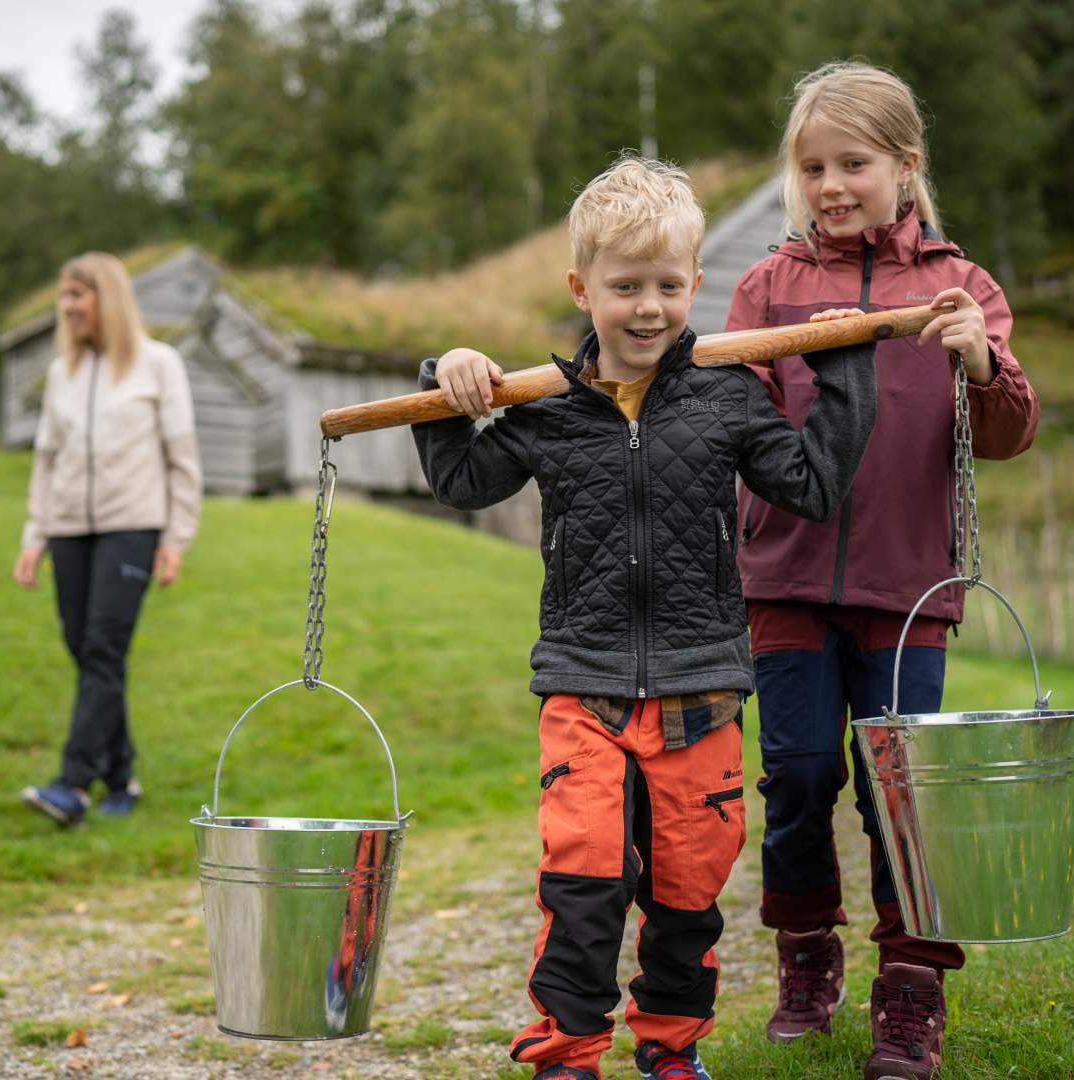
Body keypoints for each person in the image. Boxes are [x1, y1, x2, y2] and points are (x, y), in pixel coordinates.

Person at [416, 156, 878, 1080]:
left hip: (702, 691)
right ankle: (567, 1054)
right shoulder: (545, 410)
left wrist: (843, 373)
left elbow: (814, 488)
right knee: (582, 881)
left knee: (685, 894)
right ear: (582, 289)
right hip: (582, 688)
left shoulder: (725, 397)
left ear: (695, 284)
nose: (649, 309)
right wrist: (447, 383)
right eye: (624, 287)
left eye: (669, 286)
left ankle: (671, 1051)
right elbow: (463, 480)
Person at [726, 62, 1040, 1080]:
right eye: (812, 166)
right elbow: (733, 425)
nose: (830, 184)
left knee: (902, 794)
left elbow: (1007, 434)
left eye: (852, 162)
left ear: (905, 168)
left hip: (909, 591)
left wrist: (979, 362)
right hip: (784, 577)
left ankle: (911, 985)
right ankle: (806, 953)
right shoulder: (770, 288)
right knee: (802, 774)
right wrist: (801, 376)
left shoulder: (959, 286)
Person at [13, 251, 203, 828]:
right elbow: (46, 460)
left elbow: (182, 458)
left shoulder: (158, 365)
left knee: (101, 646)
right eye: (64, 296)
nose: (66, 308)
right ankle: (120, 774)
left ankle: (72, 785)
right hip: (70, 528)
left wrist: (176, 537)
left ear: (108, 299)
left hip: (133, 526)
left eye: (78, 296)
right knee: (86, 649)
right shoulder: (62, 375)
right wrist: (34, 534)